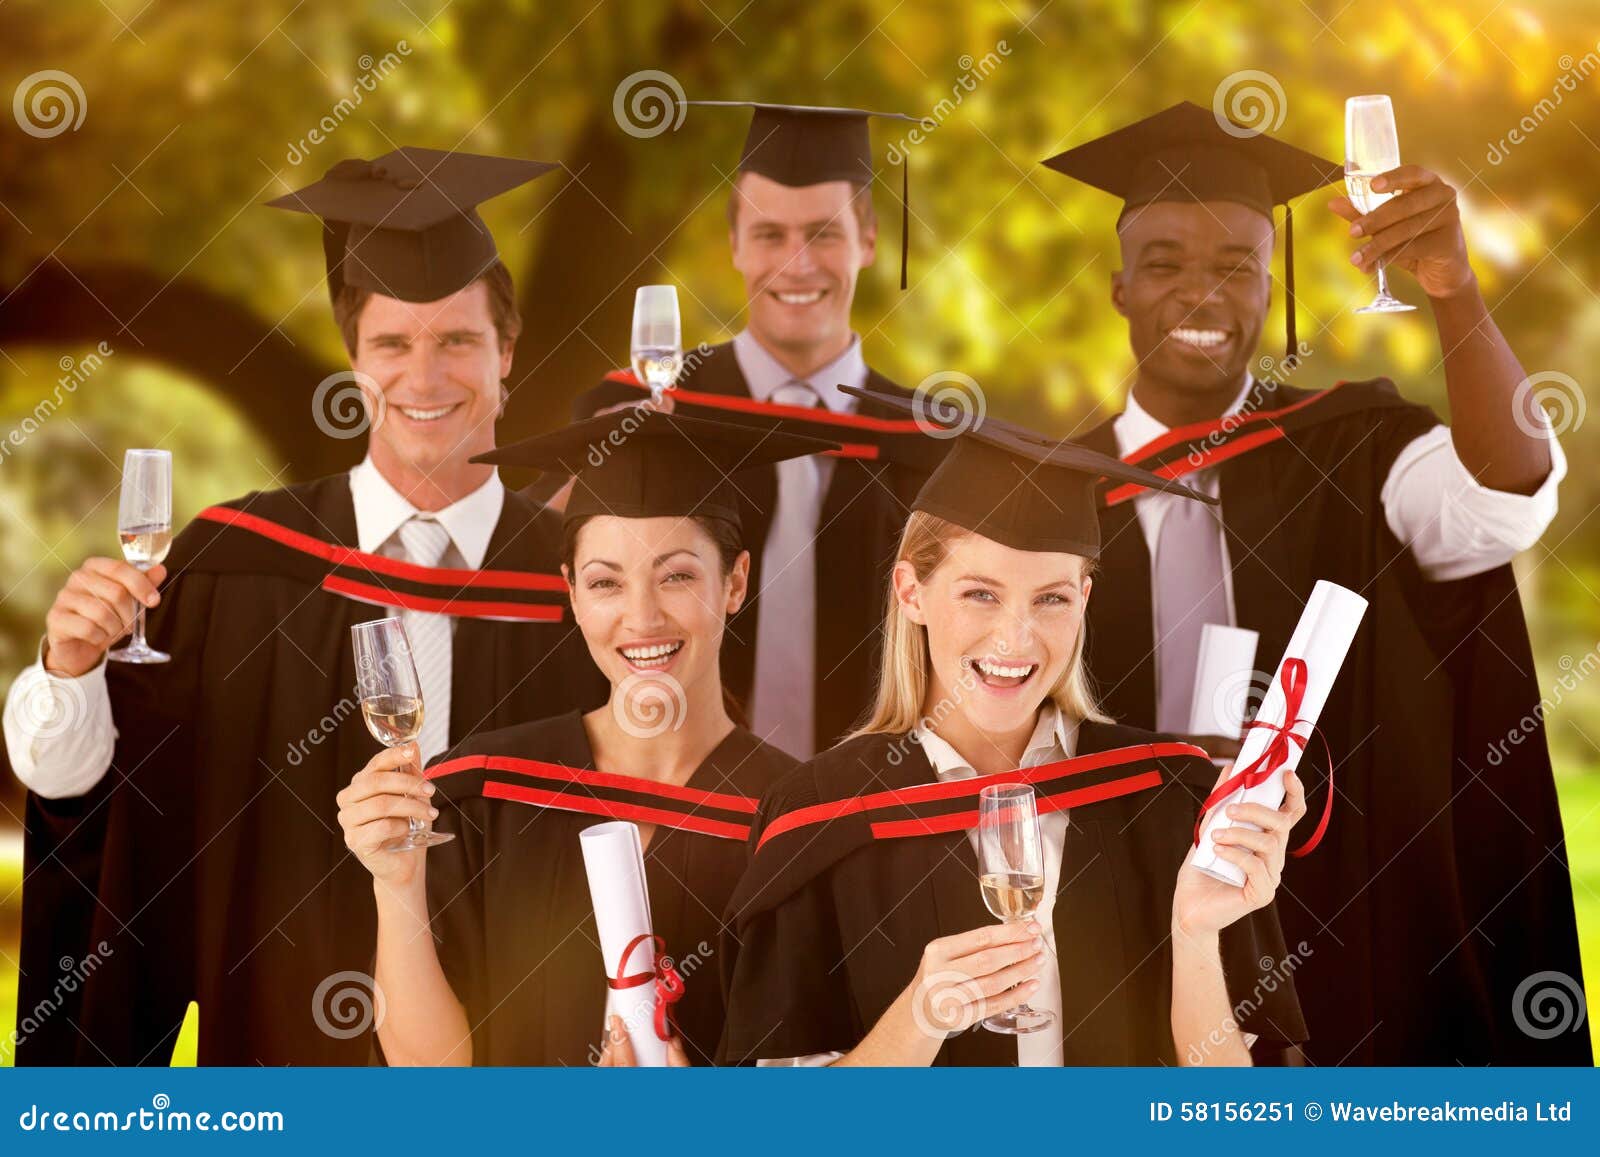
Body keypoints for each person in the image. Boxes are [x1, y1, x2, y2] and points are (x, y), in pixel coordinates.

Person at [1, 147, 606, 1065]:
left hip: (524, 1068)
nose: (426, 376)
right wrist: (70, 674)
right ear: (353, 361)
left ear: (507, 351)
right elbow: (103, 807)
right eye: (393, 345)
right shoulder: (242, 566)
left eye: (457, 341)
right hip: (286, 1066)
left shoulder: (584, 585)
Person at [1042, 100, 1588, 1064]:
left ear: (1272, 284)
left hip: (1328, 912)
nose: (1200, 294)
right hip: (1097, 917)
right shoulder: (1044, 494)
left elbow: (1505, 498)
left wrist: (1454, 289)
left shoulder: (1359, 448)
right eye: (1165, 262)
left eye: (1235, 266)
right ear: (1120, 287)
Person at [720, 388, 1310, 1066]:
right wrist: (919, 1016)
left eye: (1050, 598)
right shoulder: (818, 815)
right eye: (980, 593)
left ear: (1083, 600)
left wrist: (1195, 932)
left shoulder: (1165, 795)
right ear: (911, 592)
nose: (1016, 636)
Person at [337, 411, 832, 1065]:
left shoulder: (802, 823)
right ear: (572, 593)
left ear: (735, 581)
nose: (642, 616)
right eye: (605, 582)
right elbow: (433, 1080)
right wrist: (395, 882)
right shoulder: (483, 791)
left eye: (677, 575)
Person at [568, 102, 937, 760]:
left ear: (870, 239)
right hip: (682, 805)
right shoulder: (637, 410)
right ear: (734, 242)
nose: (797, 264)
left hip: (871, 812)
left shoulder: (926, 441)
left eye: (823, 233)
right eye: (770, 235)